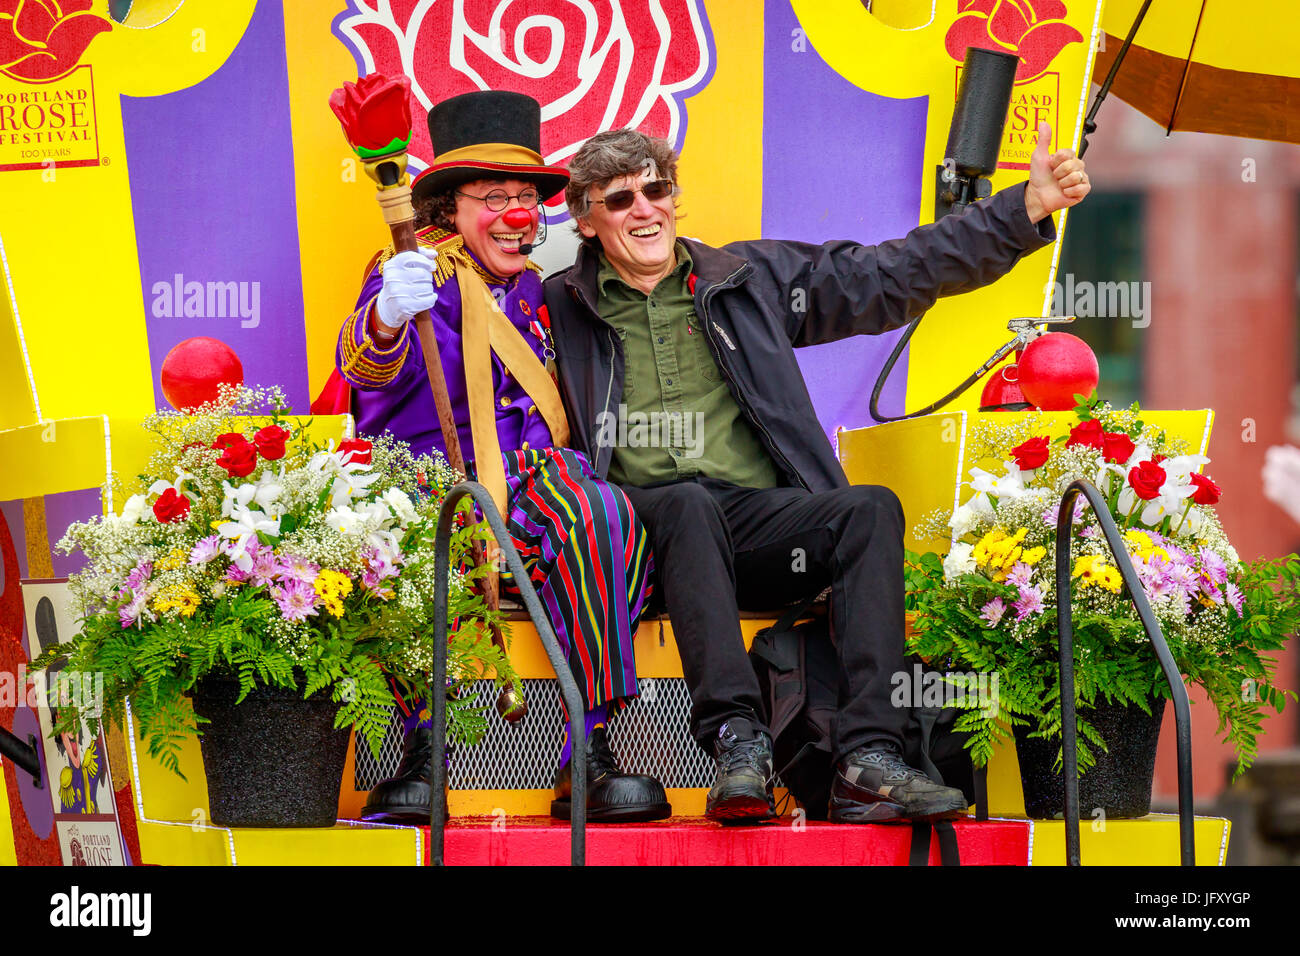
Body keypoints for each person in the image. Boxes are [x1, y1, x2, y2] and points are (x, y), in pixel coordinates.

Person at [542, 122, 1091, 824]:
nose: (644, 208)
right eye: (619, 200)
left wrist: (1022, 209)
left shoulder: (746, 279)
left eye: (657, 188)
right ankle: (738, 742)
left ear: (675, 197)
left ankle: (868, 759)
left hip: (754, 525)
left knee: (867, 509)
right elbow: (467, 332)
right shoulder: (558, 305)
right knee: (682, 503)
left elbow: (886, 272)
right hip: (637, 539)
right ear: (584, 220)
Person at [328, 91, 670, 824]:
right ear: (450, 210)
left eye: (527, 196)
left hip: (530, 482)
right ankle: (427, 745)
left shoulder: (542, 297)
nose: (519, 213)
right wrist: (388, 312)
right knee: (411, 535)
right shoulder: (418, 274)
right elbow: (363, 364)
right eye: (496, 197)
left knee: (601, 510)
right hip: (433, 483)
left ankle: (590, 747)